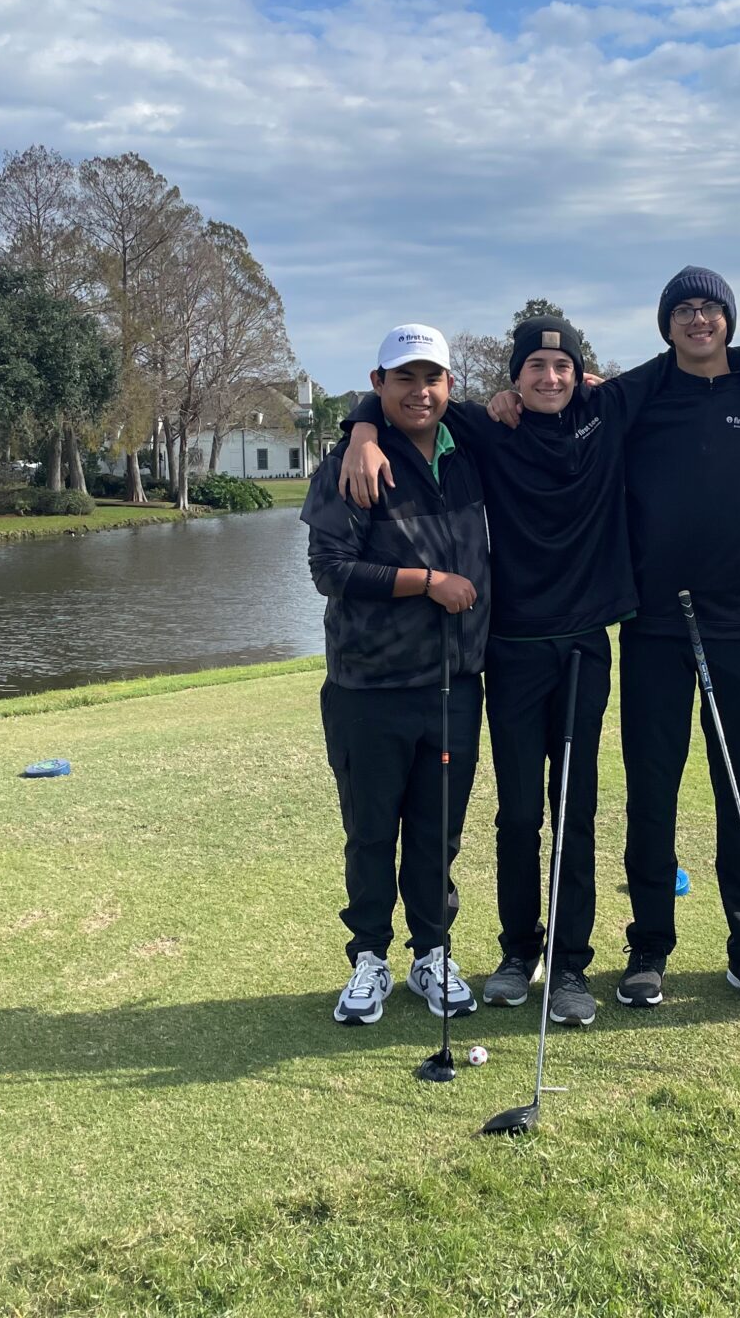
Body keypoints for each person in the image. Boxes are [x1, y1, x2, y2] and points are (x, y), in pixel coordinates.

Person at [339, 316, 646, 1029]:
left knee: (573, 808)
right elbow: (407, 398)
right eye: (535, 366)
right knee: (517, 813)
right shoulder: (487, 426)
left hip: (584, 645)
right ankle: (518, 950)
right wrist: (359, 431)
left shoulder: (604, 412)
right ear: (515, 376)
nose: (550, 378)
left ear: (579, 373)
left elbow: (694, 360)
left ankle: (570, 963)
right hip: (510, 650)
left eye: (562, 366)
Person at [608, 268, 740, 1017]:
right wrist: (364, 419)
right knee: (651, 789)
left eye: (710, 308)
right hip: (653, 622)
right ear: (666, 323)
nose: (697, 319)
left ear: (728, 320)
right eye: (683, 308)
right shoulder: (639, 393)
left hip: (738, 619)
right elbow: (557, 403)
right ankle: (649, 945)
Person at [303, 324, 490, 1027]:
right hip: (369, 686)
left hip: (454, 681)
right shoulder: (351, 465)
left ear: (449, 385)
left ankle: (431, 953)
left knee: (439, 833)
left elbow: (536, 405)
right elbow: (330, 570)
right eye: (403, 378)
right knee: (372, 833)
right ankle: (369, 958)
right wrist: (428, 581)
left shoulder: (470, 449)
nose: (420, 391)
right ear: (377, 384)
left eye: (431, 378)